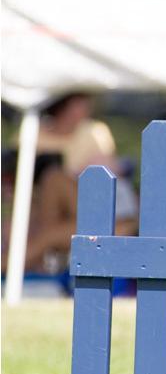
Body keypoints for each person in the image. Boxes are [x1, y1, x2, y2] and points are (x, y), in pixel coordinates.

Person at [4, 93, 137, 274]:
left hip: (103, 214)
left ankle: (14, 269)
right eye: (77, 104)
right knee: (17, 228)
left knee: (53, 186)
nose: (84, 109)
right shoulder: (33, 133)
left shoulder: (94, 133)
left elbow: (109, 174)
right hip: (53, 210)